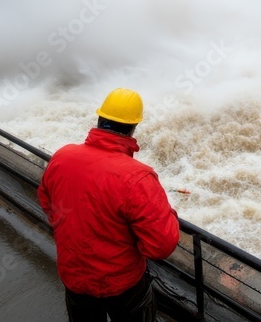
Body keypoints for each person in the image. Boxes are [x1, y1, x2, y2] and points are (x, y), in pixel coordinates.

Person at [38, 88, 179, 322]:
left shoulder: (62, 157)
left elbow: (47, 201)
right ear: (134, 127)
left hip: (74, 278)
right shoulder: (138, 177)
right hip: (122, 286)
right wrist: (168, 211)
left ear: (99, 118)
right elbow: (161, 246)